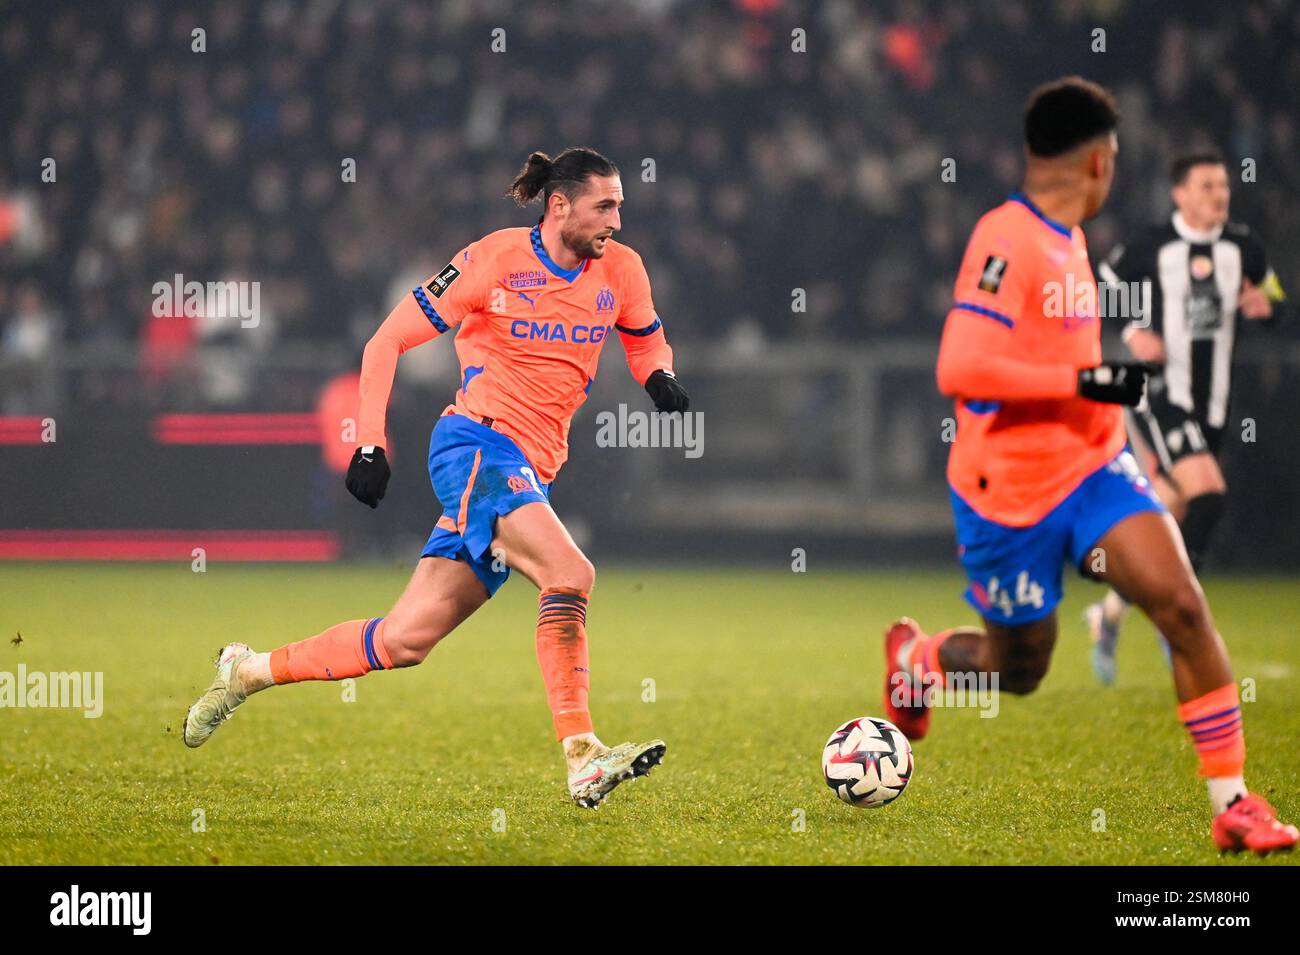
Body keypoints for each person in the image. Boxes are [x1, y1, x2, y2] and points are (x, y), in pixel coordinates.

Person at [184, 147, 691, 809]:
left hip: (527, 471)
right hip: (476, 446)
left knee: (404, 640)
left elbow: (645, 336)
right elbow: (384, 342)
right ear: (559, 205)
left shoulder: (622, 271)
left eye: (620, 204)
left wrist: (658, 376)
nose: (617, 219)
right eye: (605, 205)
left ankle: (246, 671)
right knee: (571, 574)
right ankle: (582, 753)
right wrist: (368, 441)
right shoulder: (491, 261)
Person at [882, 77, 1297, 855]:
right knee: (1021, 665)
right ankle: (918, 662)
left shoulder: (1068, 236)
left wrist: (1093, 388)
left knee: (1177, 599)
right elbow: (960, 366)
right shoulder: (1007, 238)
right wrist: (1085, 379)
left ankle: (1235, 803)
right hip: (1004, 491)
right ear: (1100, 163)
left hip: (1094, 468)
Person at [1086, 148, 1287, 684]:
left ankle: (1106, 616)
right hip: (1161, 393)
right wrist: (1132, 332)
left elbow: (1273, 295)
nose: (1218, 195)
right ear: (1180, 194)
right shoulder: (1154, 244)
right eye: (1206, 186)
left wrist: (1269, 309)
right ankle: (1181, 617)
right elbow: (1103, 279)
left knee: (1166, 521)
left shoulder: (1243, 247)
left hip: (1212, 405)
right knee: (1210, 493)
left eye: (1223, 186)